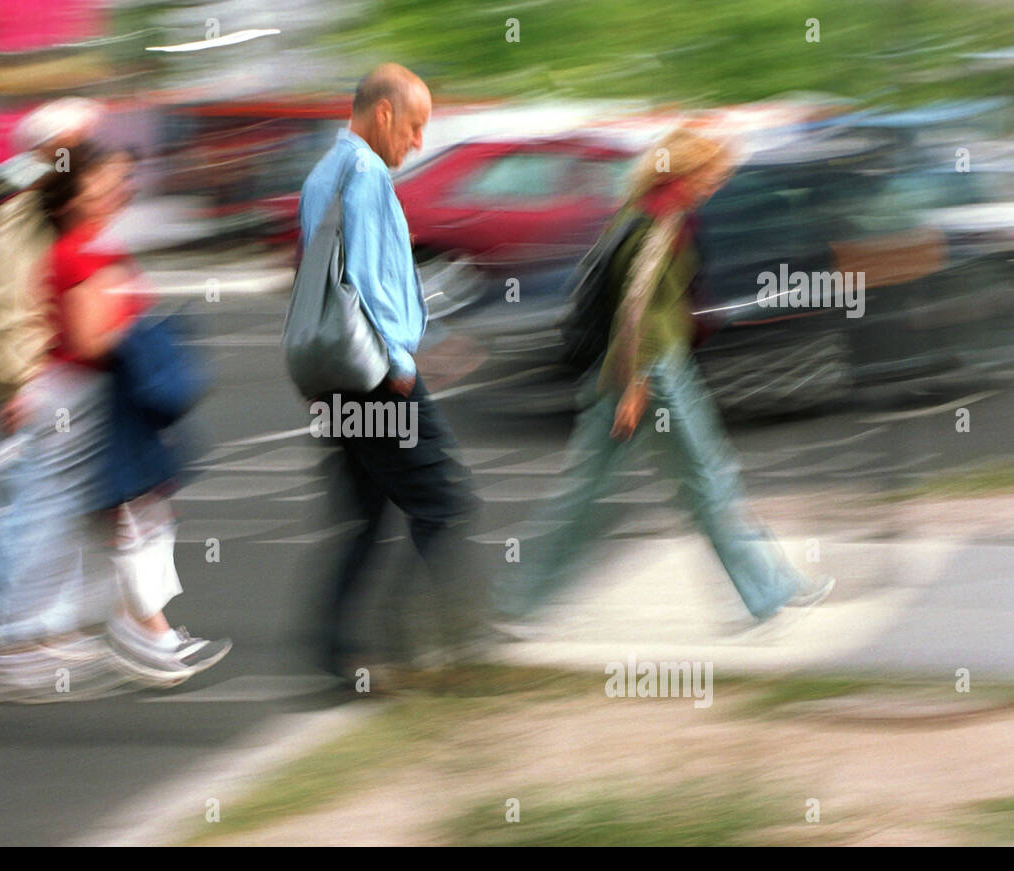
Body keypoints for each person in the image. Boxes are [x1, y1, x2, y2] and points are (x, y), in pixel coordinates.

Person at [495, 127, 833, 635]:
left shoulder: (651, 210)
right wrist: (636, 386)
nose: (717, 184)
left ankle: (521, 604)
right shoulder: (656, 220)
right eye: (714, 174)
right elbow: (636, 310)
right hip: (651, 374)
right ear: (687, 171)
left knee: (594, 492)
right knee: (706, 482)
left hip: (648, 368)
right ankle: (770, 591)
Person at [11, 140, 230, 692]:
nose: (114, 190)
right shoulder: (80, 253)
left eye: (119, 179)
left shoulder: (98, 248)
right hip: (89, 403)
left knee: (135, 516)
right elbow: (88, 339)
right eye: (100, 180)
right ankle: (141, 633)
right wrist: (141, 332)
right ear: (69, 194)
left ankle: (135, 629)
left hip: (103, 400)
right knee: (127, 517)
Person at [298, 64, 483, 677]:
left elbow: (329, 279)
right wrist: (404, 361)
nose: (418, 141)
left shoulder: (325, 171)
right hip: (377, 376)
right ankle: (443, 644)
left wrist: (428, 337)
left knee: (364, 517)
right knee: (443, 502)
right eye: (414, 125)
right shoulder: (368, 174)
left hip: (331, 374)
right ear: (383, 113)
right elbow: (369, 282)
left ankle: (338, 655)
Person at [0, 98, 104, 671]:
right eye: (83, 142)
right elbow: (5, 300)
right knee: (29, 507)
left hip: (44, 376)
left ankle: (33, 624)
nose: (92, 153)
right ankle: (2, 633)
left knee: (44, 505)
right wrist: (18, 382)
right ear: (54, 148)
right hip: (26, 380)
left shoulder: (39, 199)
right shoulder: (21, 203)